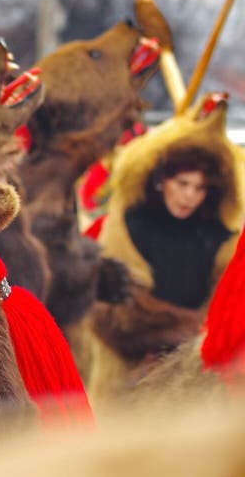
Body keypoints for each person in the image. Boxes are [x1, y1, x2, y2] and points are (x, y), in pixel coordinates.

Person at [85, 99, 243, 404]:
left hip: (190, 381)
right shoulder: (131, 225)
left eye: (199, 188)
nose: (189, 196)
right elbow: (111, 317)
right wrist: (190, 329)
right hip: (126, 379)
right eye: (182, 183)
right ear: (162, 181)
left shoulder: (219, 236)